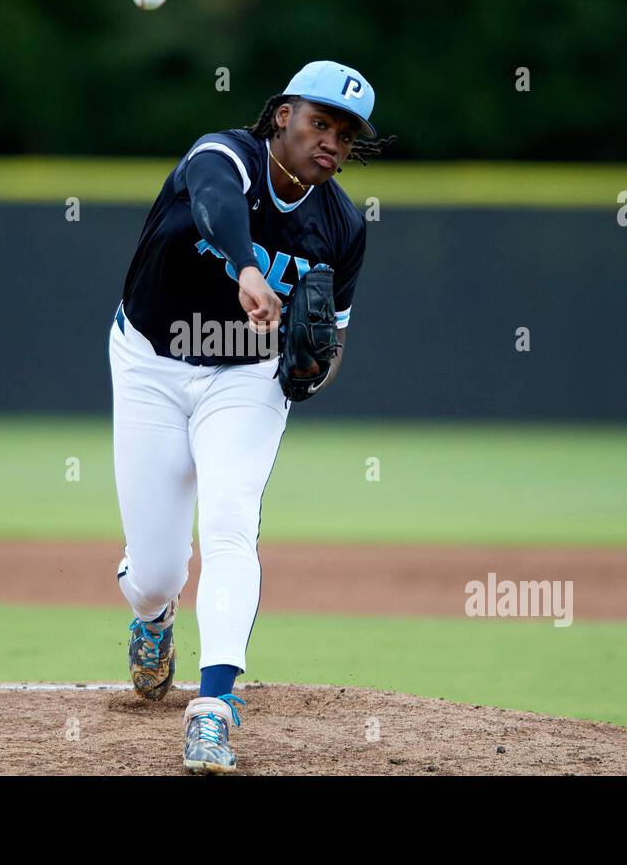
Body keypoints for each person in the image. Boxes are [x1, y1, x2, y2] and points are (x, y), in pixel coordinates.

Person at [109, 60, 392, 773]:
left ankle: (213, 706)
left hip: (245, 377)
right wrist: (245, 268)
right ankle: (153, 616)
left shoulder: (343, 225)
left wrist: (313, 371)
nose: (331, 140)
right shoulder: (222, 155)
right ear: (281, 117)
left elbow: (333, 340)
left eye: (345, 133)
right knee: (154, 573)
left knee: (230, 522)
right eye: (319, 121)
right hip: (150, 362)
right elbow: (213, 203)